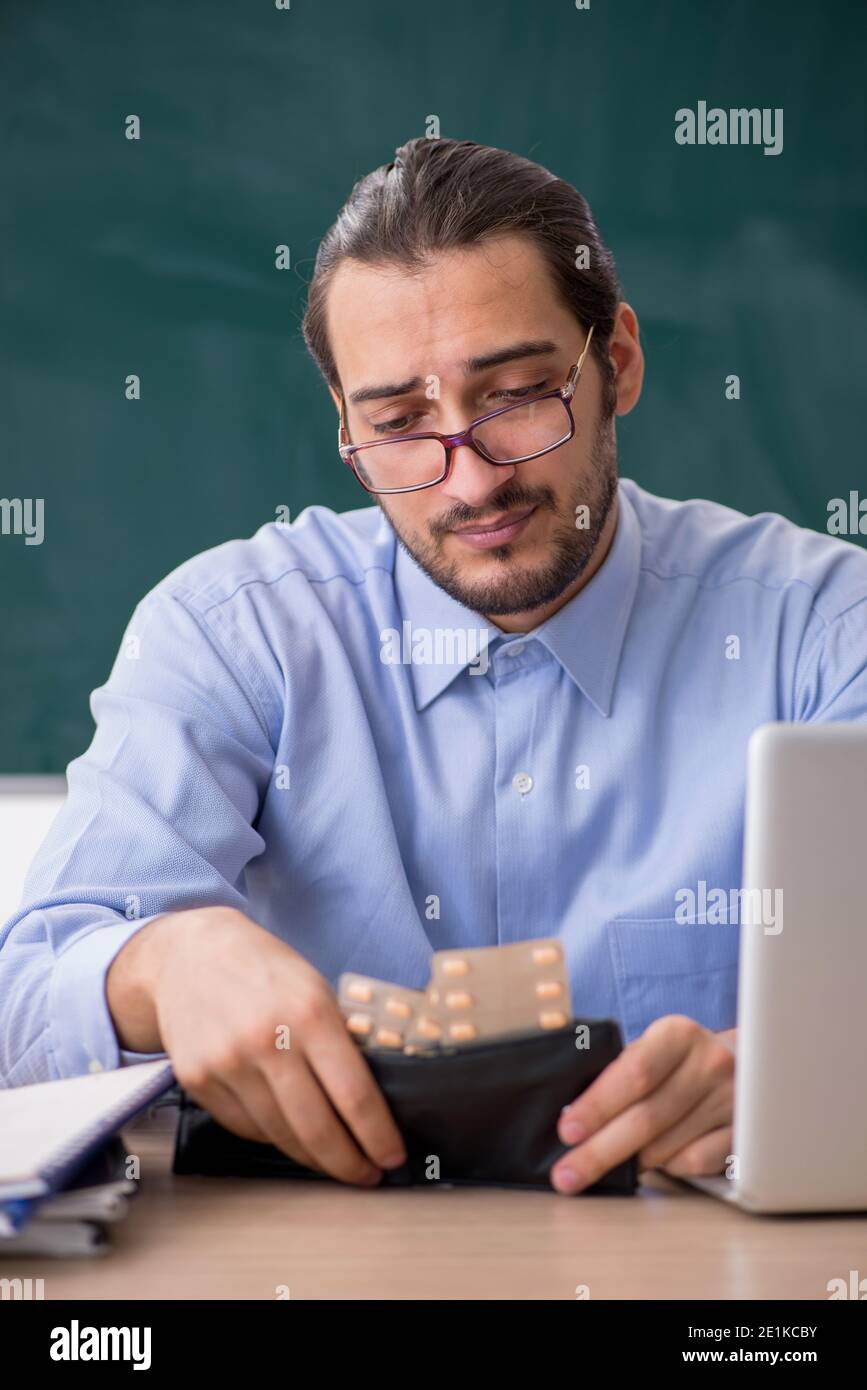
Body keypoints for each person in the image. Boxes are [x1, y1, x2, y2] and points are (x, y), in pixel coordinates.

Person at [2, 138, 865, 1196]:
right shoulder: (234, 634)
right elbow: (22, 1007)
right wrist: (154, 969)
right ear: (346, 430)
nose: (470, 477)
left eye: (514, 395)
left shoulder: (825, 629)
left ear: (619, 364)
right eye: (401, 423)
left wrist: (810, 1077)